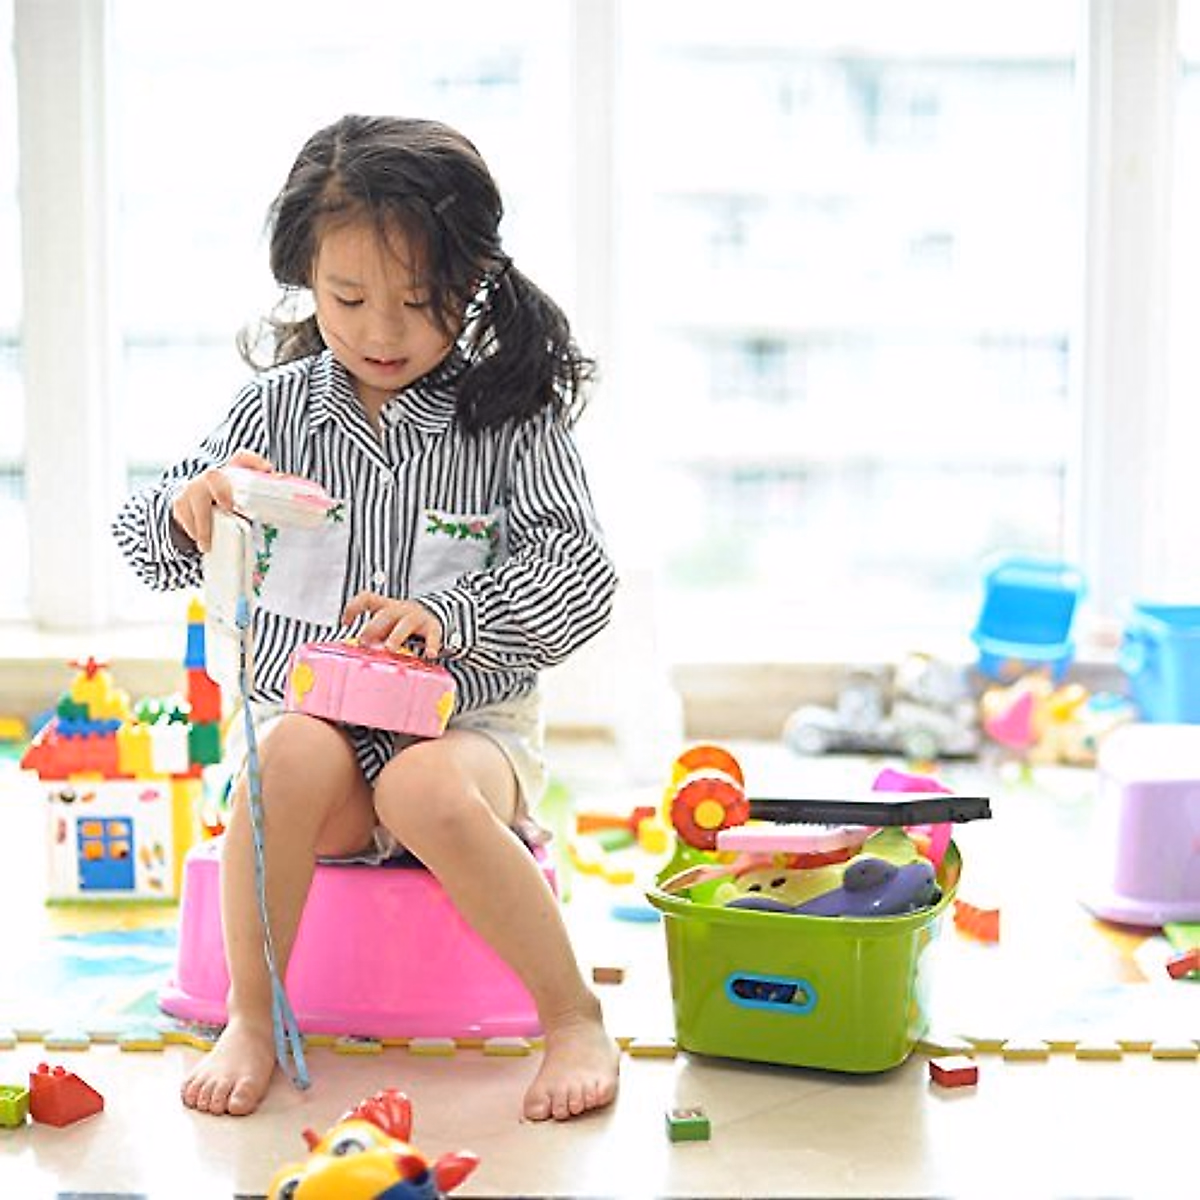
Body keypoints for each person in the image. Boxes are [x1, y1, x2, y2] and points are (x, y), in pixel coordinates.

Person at [112, 114, 620, 1122]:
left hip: (468, 735)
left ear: (473, 285)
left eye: (420, 303)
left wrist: (450, 616)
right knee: (286, 760)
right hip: (317, 741)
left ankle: (573, 1016)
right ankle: (253, 1018)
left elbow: (582, 576)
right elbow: (140, 539)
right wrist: (190, 506)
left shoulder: (513, 421)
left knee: (423, 788)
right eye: (349, 299)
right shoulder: (273, 415)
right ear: (306, 279)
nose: (382, 333)